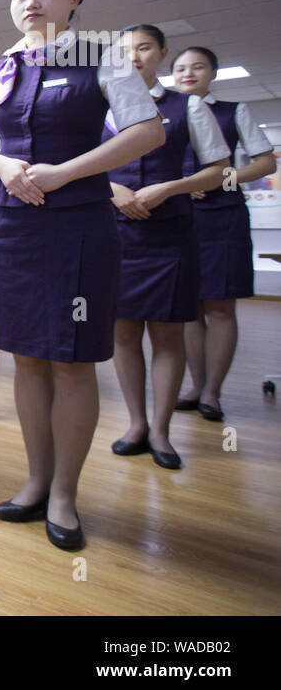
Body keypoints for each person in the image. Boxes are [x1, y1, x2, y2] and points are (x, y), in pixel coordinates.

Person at [0, 0, 164, 551]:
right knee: (24, 355)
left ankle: (67, 494)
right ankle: (36, 480)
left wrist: (61, 174)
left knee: (71, 359)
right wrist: (5, 166)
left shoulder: (102, 57)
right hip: (11, 223)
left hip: (77, 225)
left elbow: (148, 131)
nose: (30, 2)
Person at [105, 26, 229, 469]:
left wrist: (170, 188)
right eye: (124, 51)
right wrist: (112, 187)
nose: (134, 57)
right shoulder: (100, 106)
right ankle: (136, 423)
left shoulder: (187, 104)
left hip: (169, 236)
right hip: (114, 235)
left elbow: (218, 170)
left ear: (162, 53)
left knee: (167, 334)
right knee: (122, 333)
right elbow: (77, 163)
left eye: (143, 48)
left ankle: (160, 429)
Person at [172, 45, 276, 421]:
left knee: (219, 306)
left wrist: (221, 178)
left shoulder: (234, 111)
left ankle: (212, 393)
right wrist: (181, 184)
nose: (188, 73)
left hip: (222, 217)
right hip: (177, 215)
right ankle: (194, 386)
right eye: (181, 68)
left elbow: (263, 161)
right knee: (188, 308)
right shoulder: (164, 112)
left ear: (211, 73)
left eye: (198, 67)